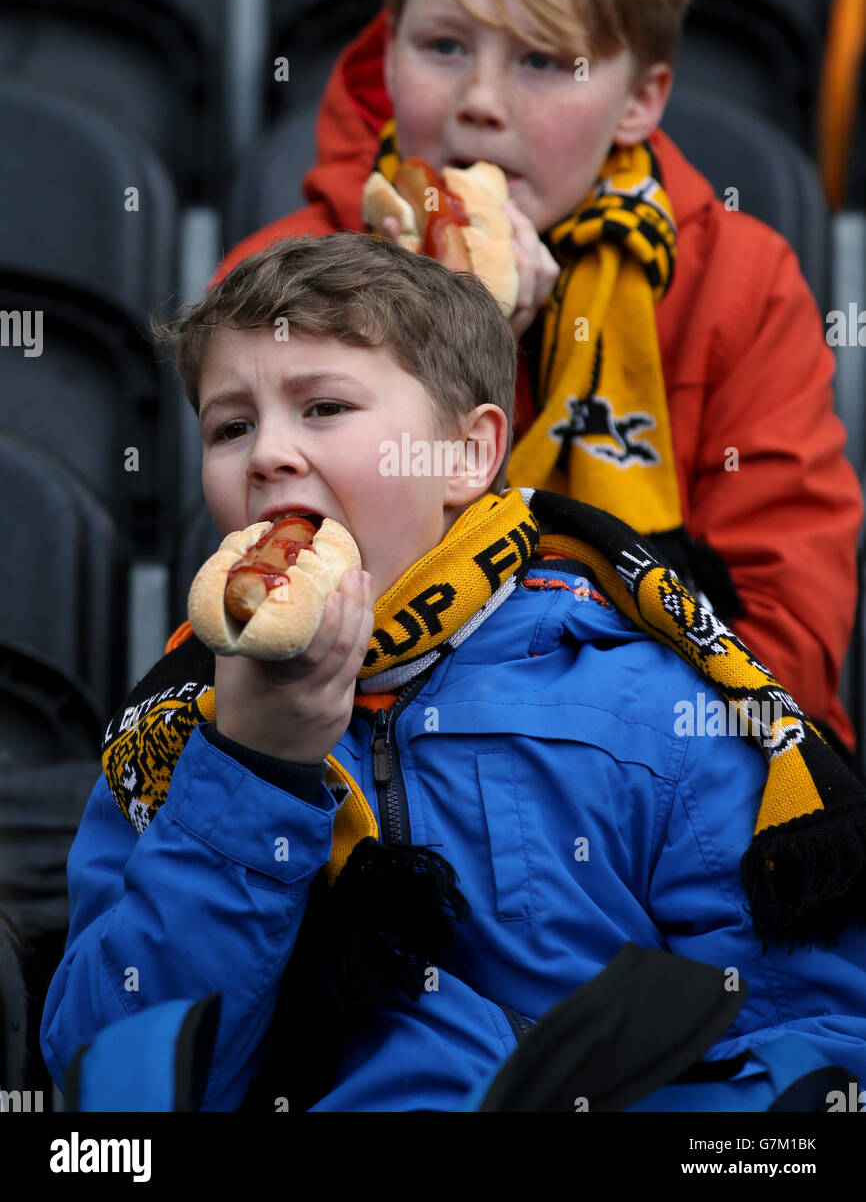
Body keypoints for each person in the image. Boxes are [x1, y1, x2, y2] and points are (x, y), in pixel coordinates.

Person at [40, 234, 866, 1113]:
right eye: (231, 426)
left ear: (465, 457)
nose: (267, 455)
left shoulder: (652, 709)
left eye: (323, 408)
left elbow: (804, 1058)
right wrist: (253, 770)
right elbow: (115, 1093)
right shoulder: (177, 741)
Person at [212, 0, 862, 753]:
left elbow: (787, 633)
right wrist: (453, 348)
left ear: (640, 100)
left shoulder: (740, 281)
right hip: (375, 754)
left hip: (666, 774)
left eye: (543, 62)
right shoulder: (277, 280)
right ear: (388, 58)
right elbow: (273, 607)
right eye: (443, 46)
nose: (478, 102)